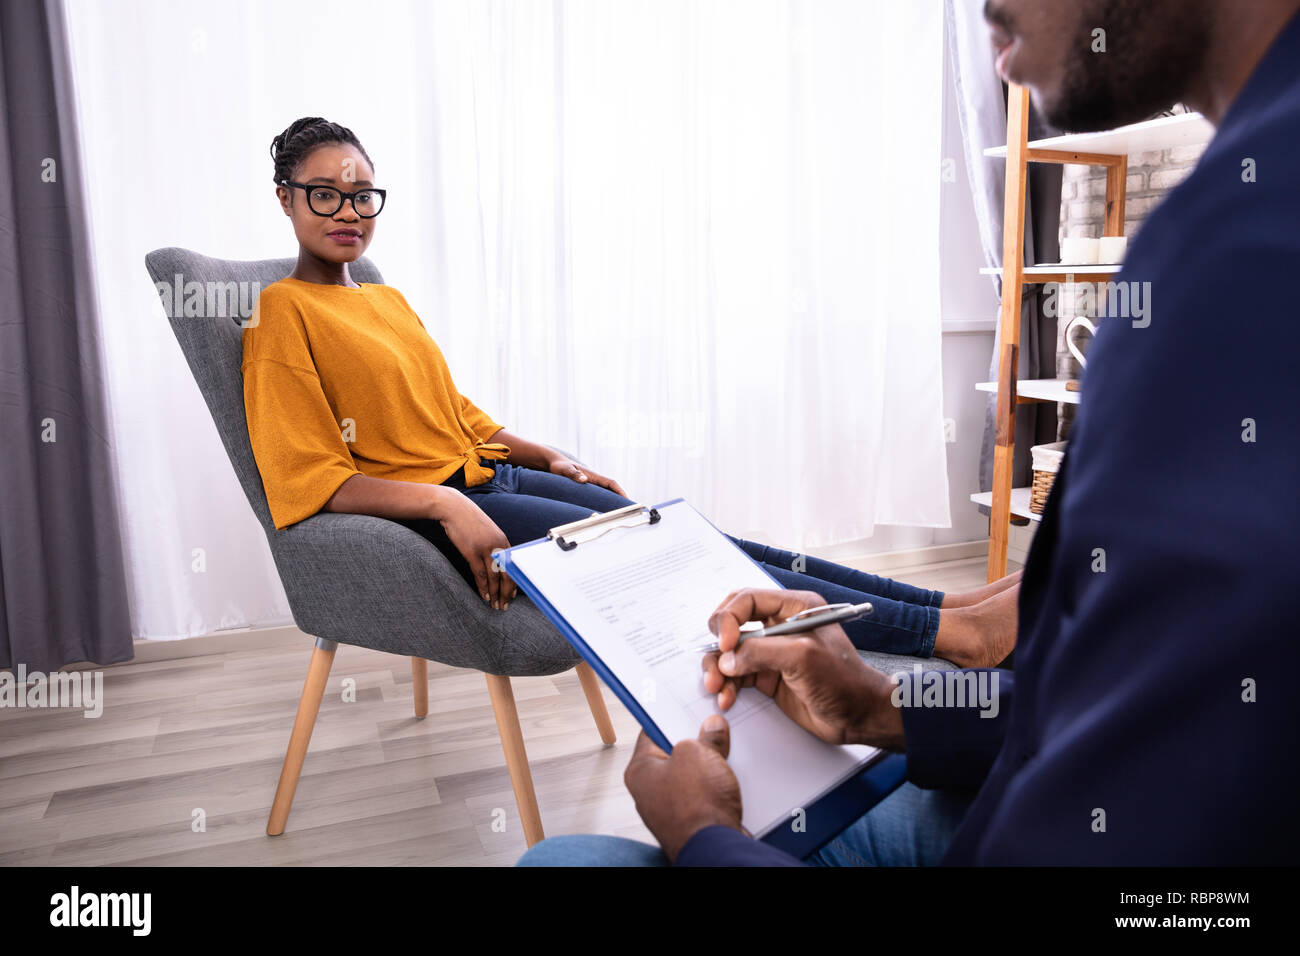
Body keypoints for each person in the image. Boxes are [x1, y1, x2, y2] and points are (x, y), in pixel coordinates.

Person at [517, 0, 1300, 867]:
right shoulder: (1239, 216)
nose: (982, 15)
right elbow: (1116, 716)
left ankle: (957, 632)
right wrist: (880, 708)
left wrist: (709, 841)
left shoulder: (1241, 260)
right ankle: (956, 632)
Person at [241, 117, 1021, 670]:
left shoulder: (383, 298)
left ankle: (943, 610)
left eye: (364, 195)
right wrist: (447, 506)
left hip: (494, 477)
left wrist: (551, 454)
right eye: (325, 195)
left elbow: (454, 417)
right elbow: (310, 479)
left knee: (706, 537)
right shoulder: (283, 311)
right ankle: (950, 637)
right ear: (287, 199)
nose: (349, 213)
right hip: (455, 502)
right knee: (695, 561)